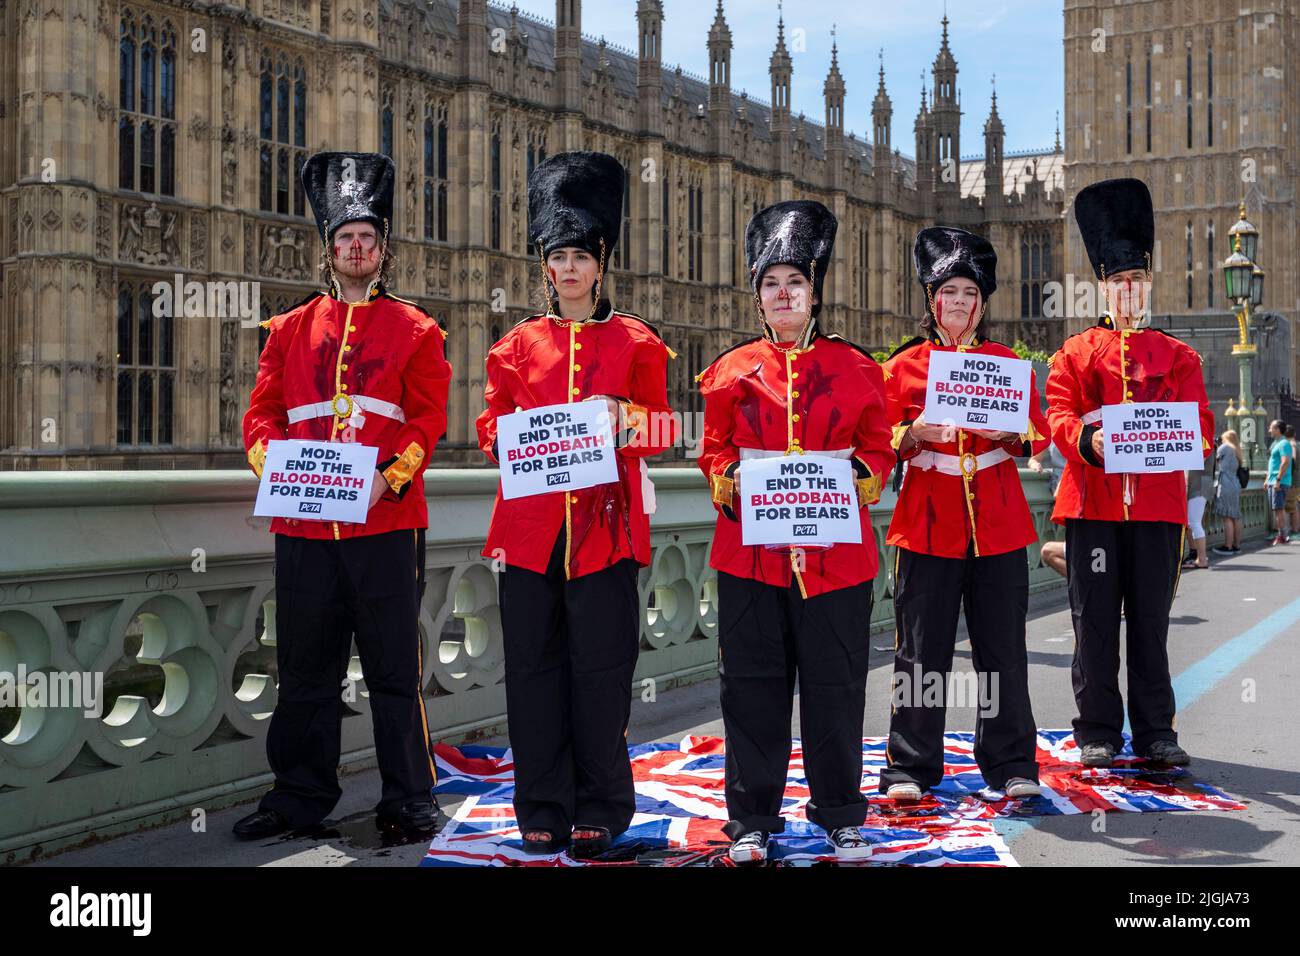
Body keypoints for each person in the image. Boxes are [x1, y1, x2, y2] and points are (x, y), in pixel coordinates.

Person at [236, 152, 452, 839]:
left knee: (394, 671)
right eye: (345, 239)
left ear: (382, 252)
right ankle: (297, 797)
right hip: (304, 527)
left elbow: (428, 416)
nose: (356, 249)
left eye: (367, 239)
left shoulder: (418, 330)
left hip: (386, 523)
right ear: (330, 252)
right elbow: (262, 412)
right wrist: (268, 456)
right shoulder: (288, 330)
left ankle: (409, 801)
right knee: (304, 669)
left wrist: (393, 472)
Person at [476, 151, 677, 859]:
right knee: (532, 674)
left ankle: (600, 805)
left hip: (607, 534)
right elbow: (488, 428)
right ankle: (541, 804)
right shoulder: (514, 348)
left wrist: (621, 417)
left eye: (579, 258)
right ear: (545, 267)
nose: (567, 270)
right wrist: (504, 437)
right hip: (528, 537)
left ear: (600, 264)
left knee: (601, 675)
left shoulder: (637, 343)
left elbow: (664, 429)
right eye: (556, 257)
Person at [697, 200, 894, 864]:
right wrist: (732, 482)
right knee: (751, 688)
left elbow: (878, 453)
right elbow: (714, 453)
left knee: (835, 688)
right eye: (771, 284)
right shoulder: (729, 371)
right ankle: (752, 817)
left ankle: (840, 813)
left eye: (795, 283)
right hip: (751, 559)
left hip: (836, 559)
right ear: (758, 298)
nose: (783, 295)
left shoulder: (859, 369)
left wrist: (853, 477)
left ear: (814, 294)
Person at [1046, 177, 1213, 770]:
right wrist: (1089, 440)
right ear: (1101, 287)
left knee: (1150, 623)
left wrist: (1185, 439)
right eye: (1118, 282)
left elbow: (1203, 428)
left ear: (1148, 286)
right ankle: (1096, 729)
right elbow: (1057, 417)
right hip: (1092, 504)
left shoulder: (1182, 357)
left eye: (1137, 281)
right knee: (1093, 623)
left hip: (1156, 509)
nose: (1128, 291)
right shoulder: (1074, 353)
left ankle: (1155, 733)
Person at [878, 228, 1049, 804]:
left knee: (1001, 649)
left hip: (998, 521)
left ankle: (1009, 762)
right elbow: (875, 439)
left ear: (981, 304)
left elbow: (1040, 431)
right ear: (932, 300)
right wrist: (910, 433)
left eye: (969, 293)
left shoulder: (1007, 363)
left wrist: (1016, 432)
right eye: (948, 291)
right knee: (921, 651)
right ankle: (911, 765)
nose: (958, 302)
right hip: (926, 519)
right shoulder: (903, 366)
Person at [1212, 430, 1243, 555]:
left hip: (1225, 483)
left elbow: (1216, 459)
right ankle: (1237, 545)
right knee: (1235, 515)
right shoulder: (1237, 450)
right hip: (1235, 483)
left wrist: (1216, 446)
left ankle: (1227, 546)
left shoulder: (1225, 447)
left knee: (1227, 517)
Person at [1265, 419, 1292, 546]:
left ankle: (1282, 536)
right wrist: (1267, 480)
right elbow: (1273, 464)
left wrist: (1278, 480)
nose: (1269, 430)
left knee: (1279, 509)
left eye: (1271, 428)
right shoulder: (1276, 443)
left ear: (1277, 429)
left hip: (1279, 482)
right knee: (1277, 509)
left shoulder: (1283, 443)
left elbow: (1285, 462)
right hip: (1273, 481)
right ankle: (1282, 535)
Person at [1183, 457, 1212, 570]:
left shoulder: (1204, 443)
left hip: (1199, 485)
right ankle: (1200, 557)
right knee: (1194, 522)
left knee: (1194, 522)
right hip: (1201, 484)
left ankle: (1202, 559)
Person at [1287, 425, 1299, 537]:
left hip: (1293, 480)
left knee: (1293, 506)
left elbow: (1293, 460)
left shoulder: (1291, 445)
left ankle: (1295, 529)